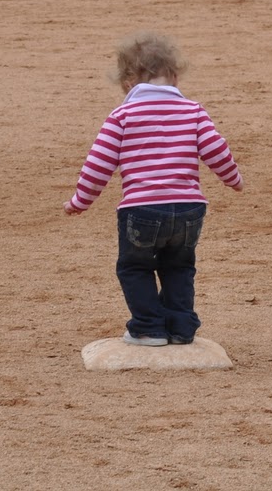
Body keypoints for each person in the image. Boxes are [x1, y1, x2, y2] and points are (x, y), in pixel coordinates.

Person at [64, 32, 243, 346]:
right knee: (179, 266)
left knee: (134, 266)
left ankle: (148, 327)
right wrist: (233, 179)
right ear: (174, 75)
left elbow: (98, 165)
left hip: (141, 209)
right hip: (189, 209)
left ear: (127, 81)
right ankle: (181, 327)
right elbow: (218, 152)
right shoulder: (194, 112)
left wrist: (81, 200)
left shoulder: (122, 116)